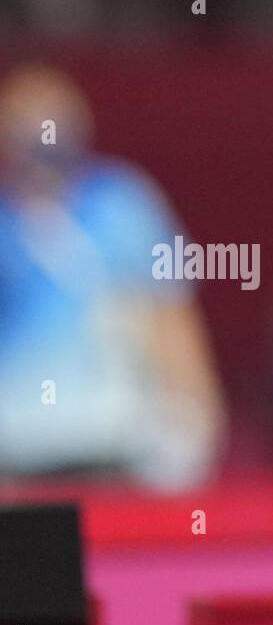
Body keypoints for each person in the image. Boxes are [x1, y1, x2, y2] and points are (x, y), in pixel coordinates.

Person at [0, 64, 226, 489]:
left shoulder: (123, 204)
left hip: (115, 445)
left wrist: (197, 416)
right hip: (16, 452)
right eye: (25, 131)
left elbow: (170, 313)